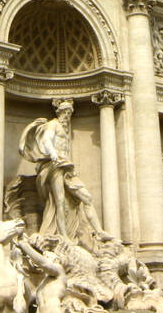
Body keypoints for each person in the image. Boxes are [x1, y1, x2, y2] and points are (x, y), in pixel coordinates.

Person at [19, 99, 106, 245]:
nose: (67, 116)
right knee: (59, 201)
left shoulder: (64, 129)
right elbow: (46, 140)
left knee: (87, 197)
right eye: (65, 113)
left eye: (69, 113)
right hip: (54, 166)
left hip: (66, 166)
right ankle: (63, 235)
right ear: (59, 113)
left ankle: (99, 231)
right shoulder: (52, 124)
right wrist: (53, 155)